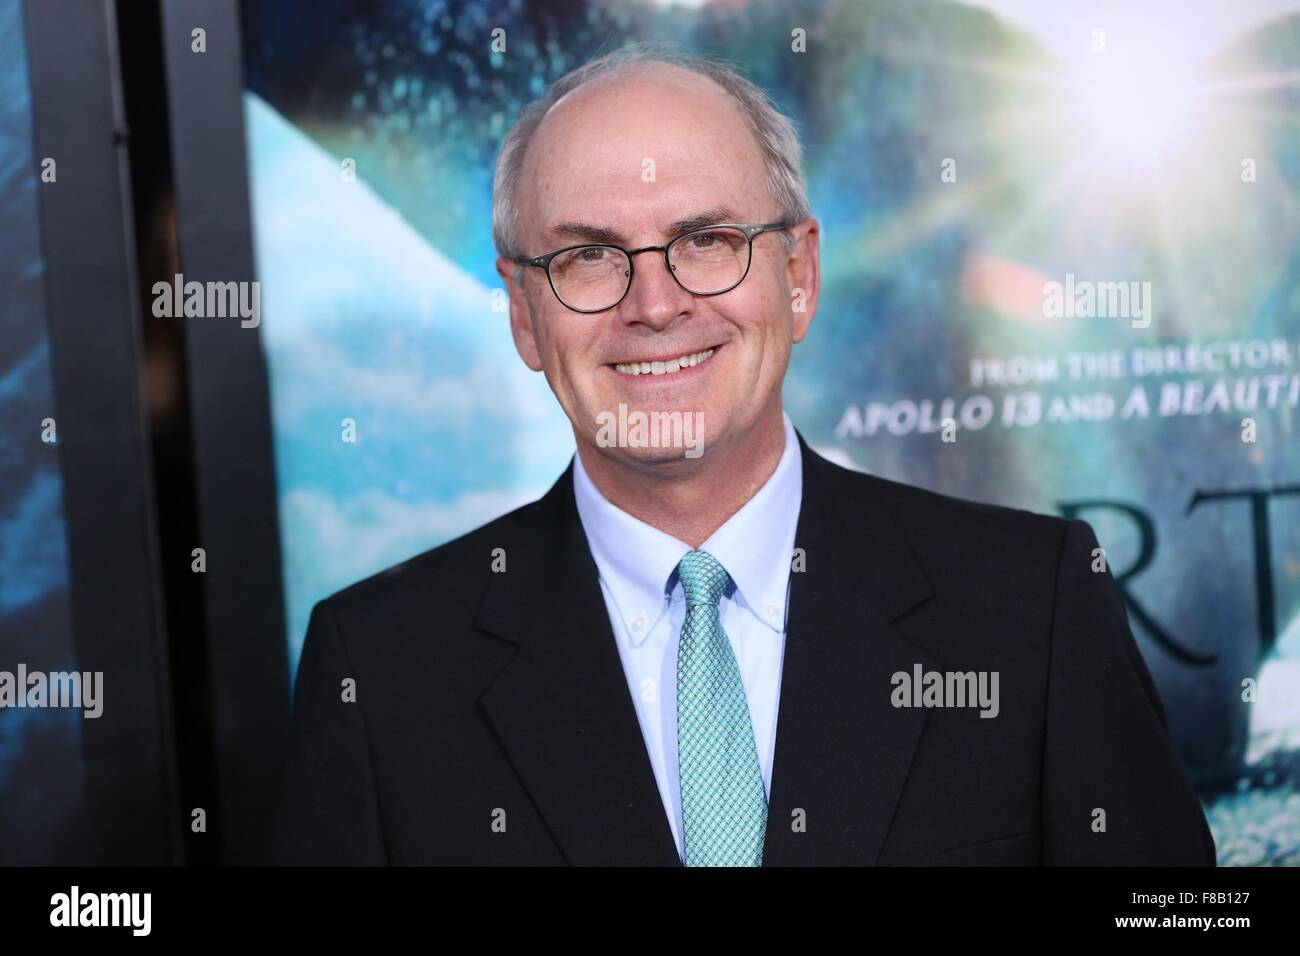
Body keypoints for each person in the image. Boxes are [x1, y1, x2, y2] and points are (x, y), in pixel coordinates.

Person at [268, 43, 1216, 866]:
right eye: (589, 257)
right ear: (523, 311)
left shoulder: (1028, 608)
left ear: (798, 276)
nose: (655, 304)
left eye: (708, 239)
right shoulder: (381, 674)